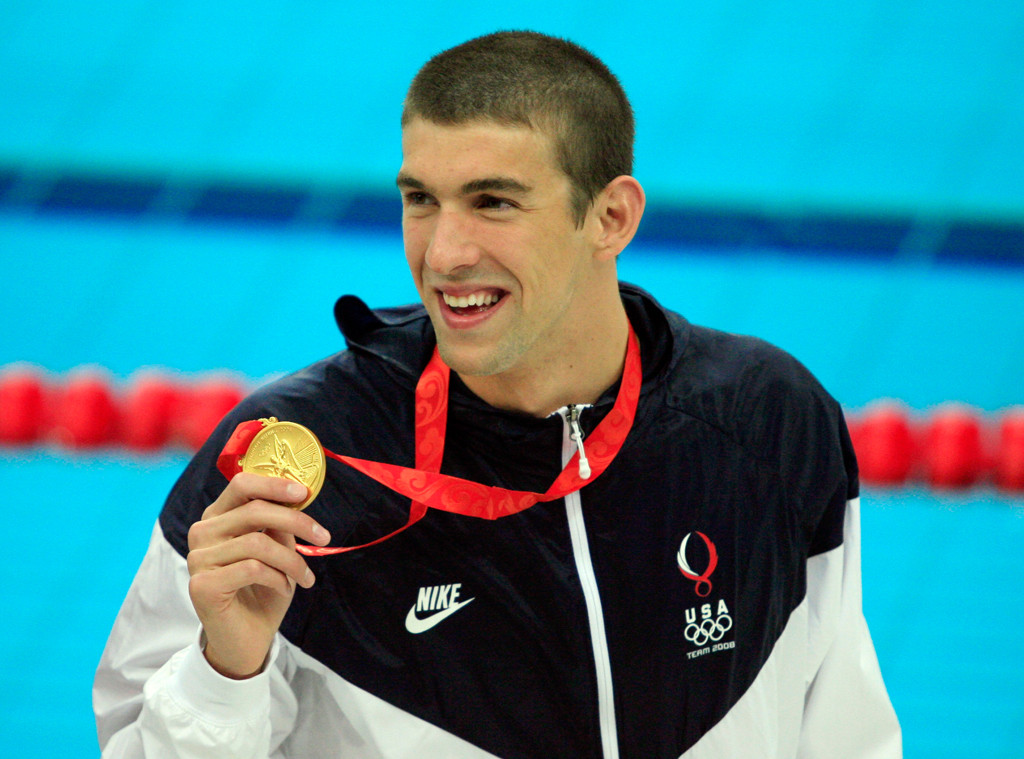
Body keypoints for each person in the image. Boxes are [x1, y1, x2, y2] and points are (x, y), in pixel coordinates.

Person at [93, 30, 901, 758]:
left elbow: (846, 736)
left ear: (611, 217)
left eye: (493, 203)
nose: (444, 253)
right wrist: (224, 673)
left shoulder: (767, 424)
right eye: (421, 200)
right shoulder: (291, 469)